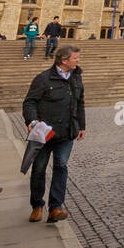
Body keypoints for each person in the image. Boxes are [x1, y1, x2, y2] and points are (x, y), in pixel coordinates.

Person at [22, 44, 85, 223]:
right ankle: (37, 205)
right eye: (75, 58)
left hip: (67, 132)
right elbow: (29, 102)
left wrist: (81, 125)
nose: (78, 60)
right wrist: (32, 121)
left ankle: (56, 207)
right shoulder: (43, 79)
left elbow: (80, 102)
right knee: (39, 168)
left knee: (61, 167)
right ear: (64, 60)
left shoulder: (77, 77)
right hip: (46, 133)